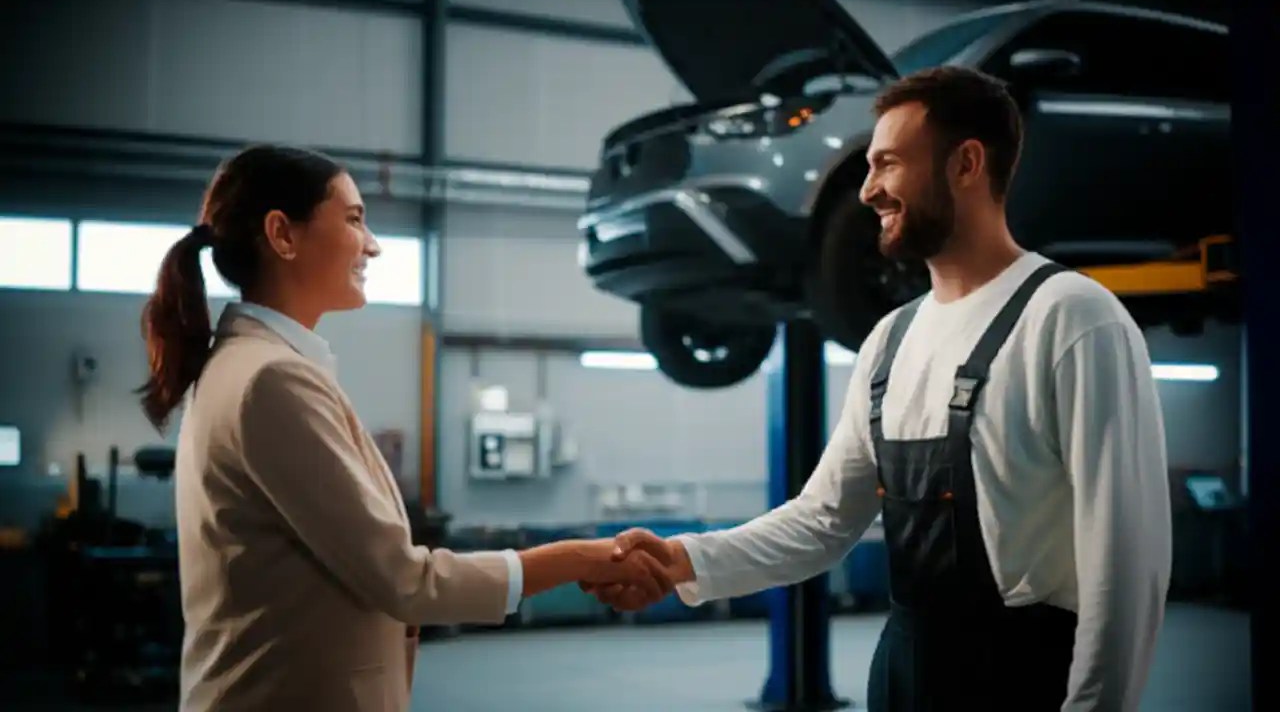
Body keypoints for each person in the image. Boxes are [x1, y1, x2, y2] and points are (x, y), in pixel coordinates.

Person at [585, 66, 1173, 711]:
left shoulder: (1071, 317)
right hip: (903, 673)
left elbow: (1125, 559)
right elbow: (823, 521)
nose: (866, 191)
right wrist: (681, 560)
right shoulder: (891, 339)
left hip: (1024, 680)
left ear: (966, 164)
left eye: (887, 164)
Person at [137, 144, 673, 712]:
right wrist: (578, 559)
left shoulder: (252, 367)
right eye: (354, 219)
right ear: (282, 235)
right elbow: (405, 580)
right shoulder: (270, 380)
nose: (372, 244)